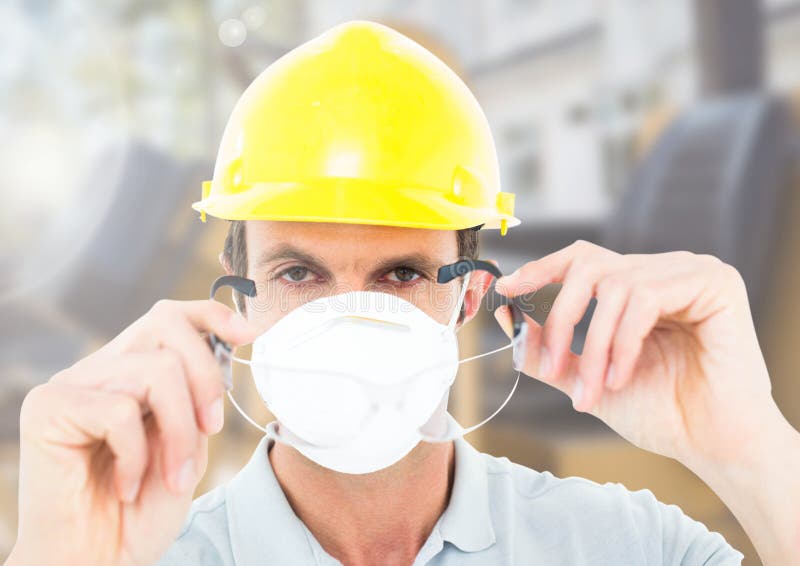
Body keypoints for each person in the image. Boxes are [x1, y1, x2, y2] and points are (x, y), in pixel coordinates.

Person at [7, 20, 800, 566]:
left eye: (401, 274)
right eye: (299, 272)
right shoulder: (134, 555)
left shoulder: (618, 545)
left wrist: (754, 451)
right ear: (238, 301)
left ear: (468, 297)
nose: (351, 317)